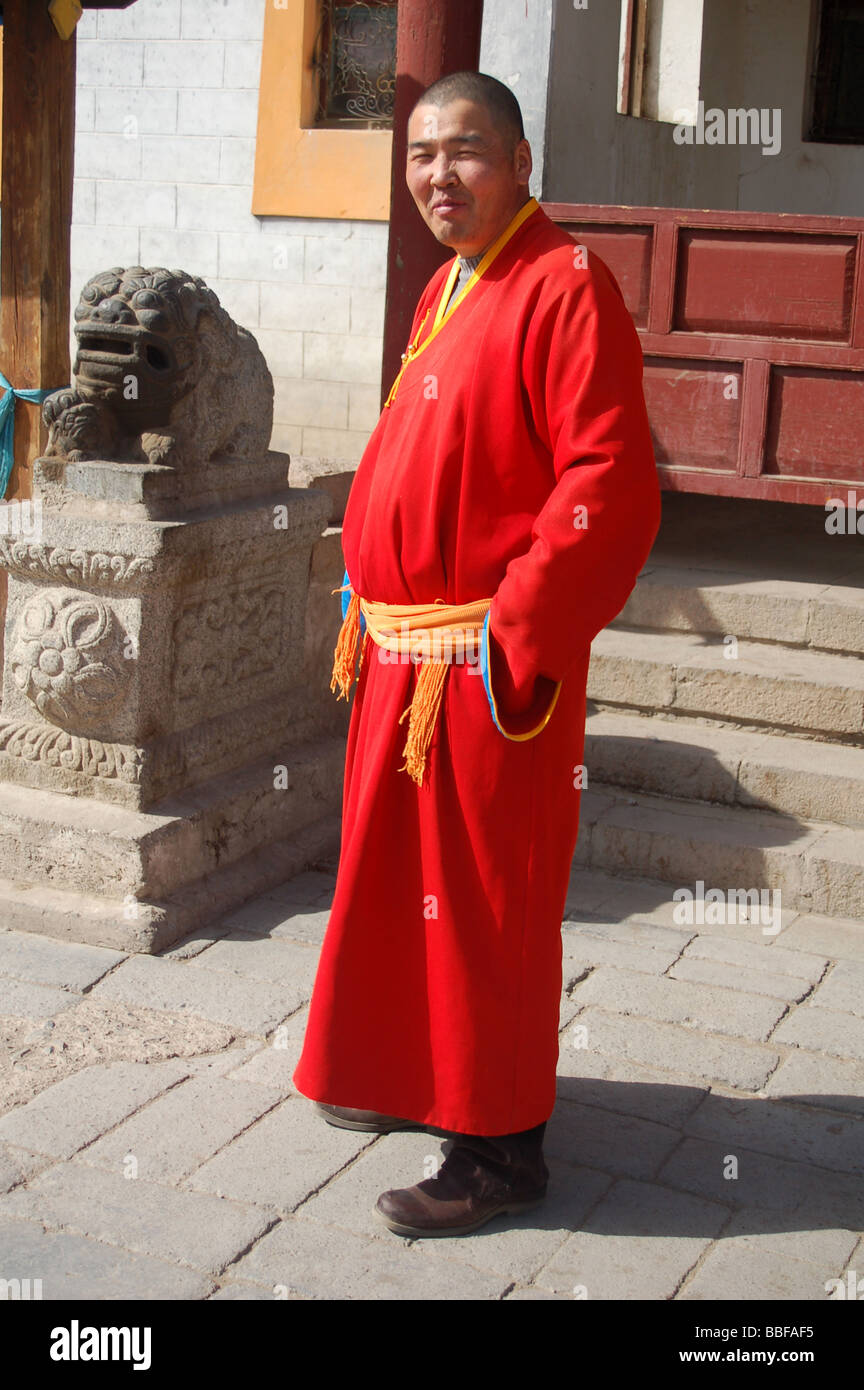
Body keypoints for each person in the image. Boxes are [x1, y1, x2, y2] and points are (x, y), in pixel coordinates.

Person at [292, 70, 660, 1238]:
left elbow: (610, 482)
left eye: (465, 153)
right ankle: (413, 1075)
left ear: (521, 163)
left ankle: (499, 1150)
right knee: (400, 894)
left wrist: (521, 638)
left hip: (485, 670)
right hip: (400, 664)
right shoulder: (452, 287)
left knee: (487, 907)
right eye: (418, 157)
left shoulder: (566, 284)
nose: (438, 177)